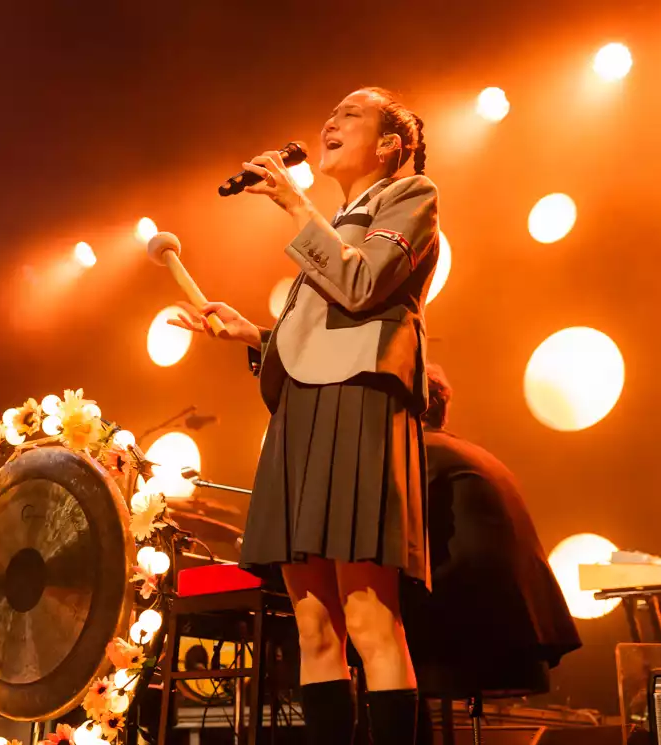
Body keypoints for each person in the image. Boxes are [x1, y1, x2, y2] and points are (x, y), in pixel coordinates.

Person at [170, 87, 439, 745]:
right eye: (331, 113)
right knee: (312, 621)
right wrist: (257, 336)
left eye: (350, 114)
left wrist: (294, 201)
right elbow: (323, 326)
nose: (330, 121)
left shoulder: (410, 197)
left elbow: (360, 286)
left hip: (358, 400)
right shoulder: (338, 216)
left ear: (389, 145)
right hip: (305, 407)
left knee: (368, 612)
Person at [406, 364, 581, 704]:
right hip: (518, 626)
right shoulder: (473, 453)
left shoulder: (417, 450)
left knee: (368, 629)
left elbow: (396, 539)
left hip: (472, 621)